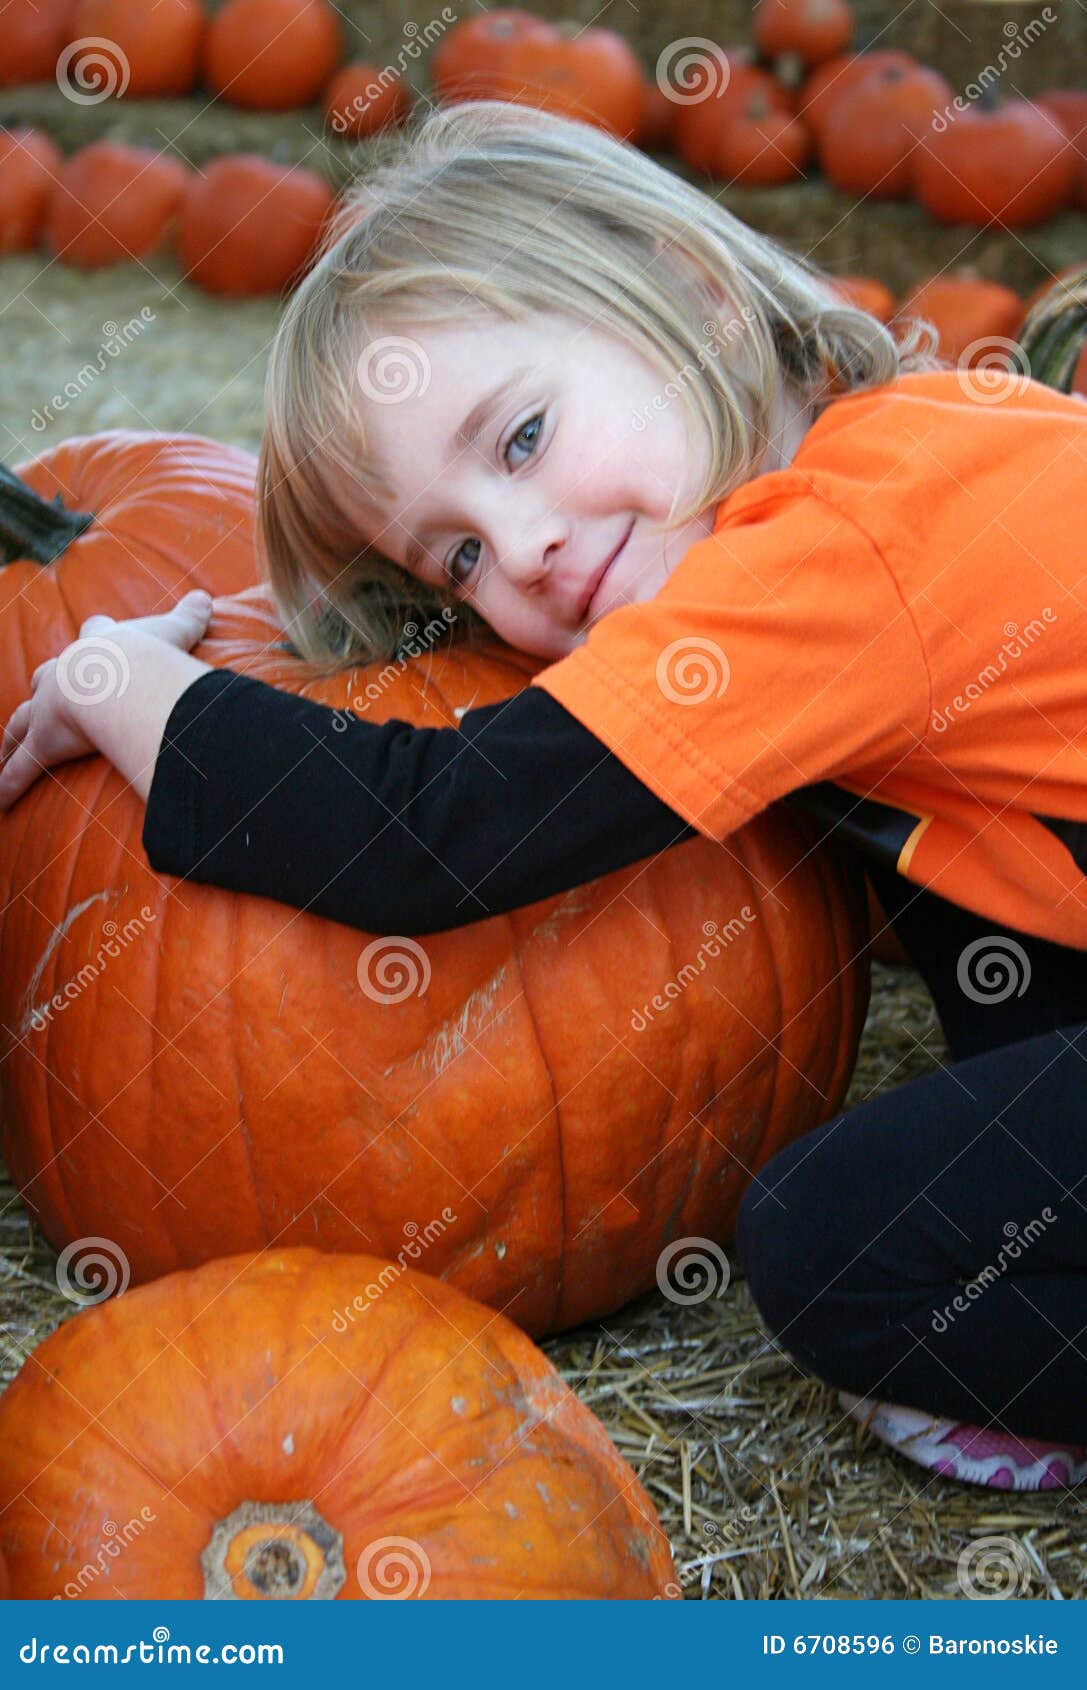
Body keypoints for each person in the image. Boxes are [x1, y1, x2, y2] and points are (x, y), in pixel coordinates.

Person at [2, 99, 1087, 1493]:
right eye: (454, 561)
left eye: (518, 439)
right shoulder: (911, 447)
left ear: (686, 291)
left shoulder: (832, 560)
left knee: (842, 1246)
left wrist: (124, 685)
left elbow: (430, 831)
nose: (521, 550)